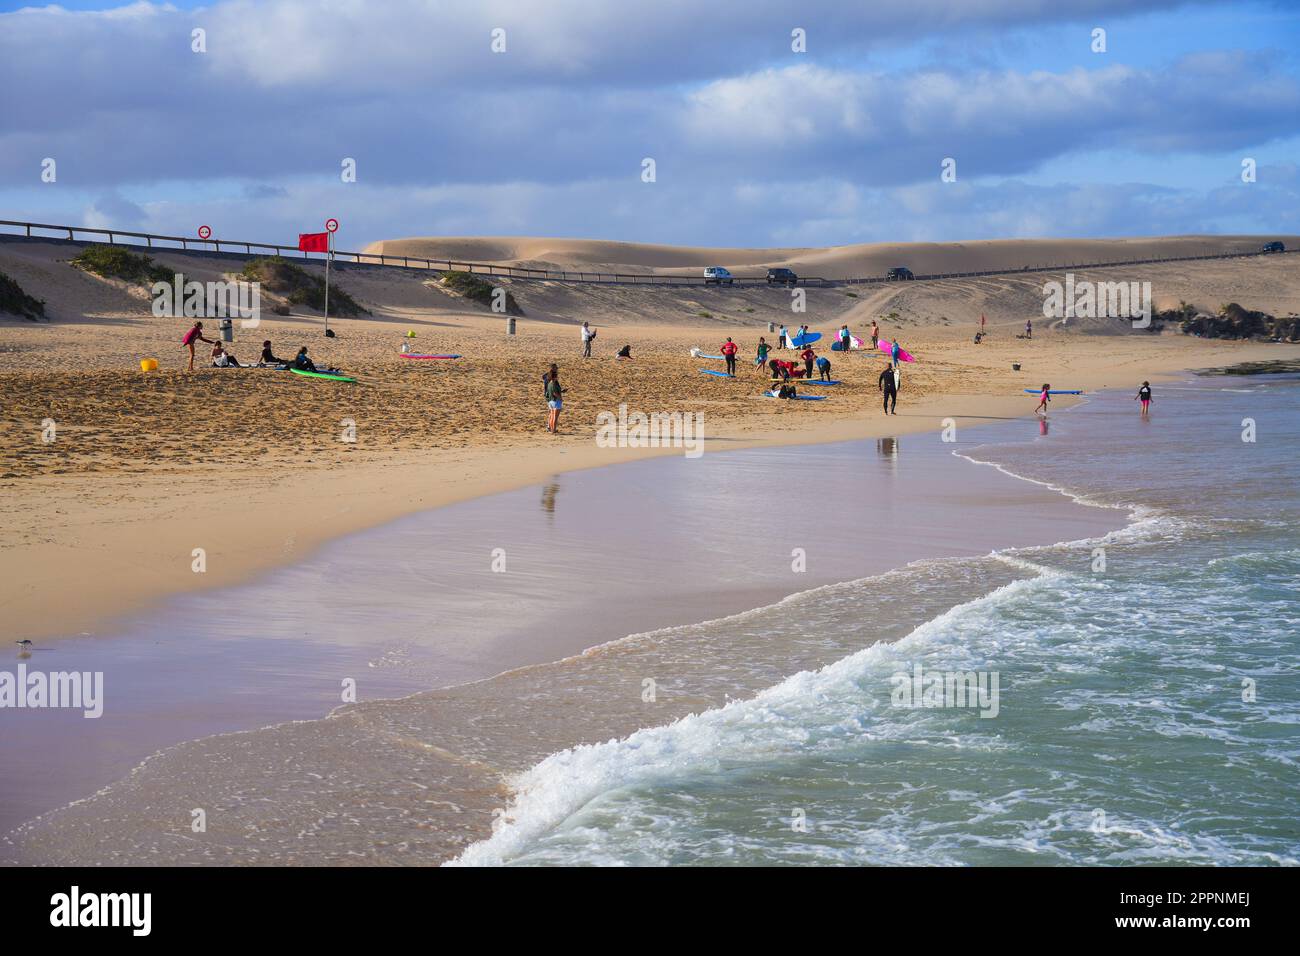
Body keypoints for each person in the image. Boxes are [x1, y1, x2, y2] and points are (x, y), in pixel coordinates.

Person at [544, 363, 563, 433]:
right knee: (554, 416)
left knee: (552, 415)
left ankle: (551, 428)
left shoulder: (549, 382)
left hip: (551, 400)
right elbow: (554, 393)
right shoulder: (553, 382)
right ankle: (553, 429)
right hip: (554, 400)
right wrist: (560, 398)